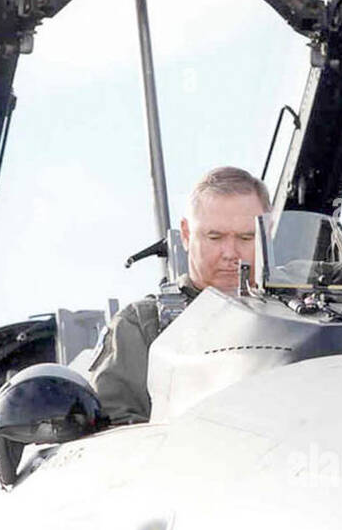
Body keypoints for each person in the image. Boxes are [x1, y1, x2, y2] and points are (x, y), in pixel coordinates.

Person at [89, 166, 271, 424]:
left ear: (267, 234)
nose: (231, 253)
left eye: (246, 237)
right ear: (186, 234)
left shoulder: (305, 319)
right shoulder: (141, 326)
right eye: (215, 237)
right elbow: (116, 435)